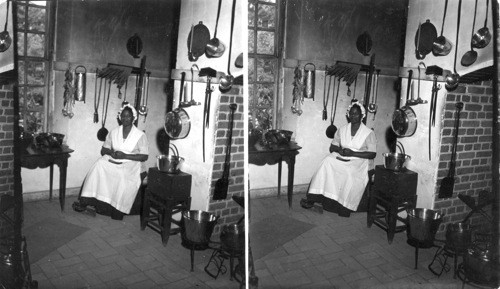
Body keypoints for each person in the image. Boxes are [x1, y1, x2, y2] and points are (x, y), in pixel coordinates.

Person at [300, 101, 376, 217]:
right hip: (343, 155)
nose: (353, 116)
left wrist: (353, 153)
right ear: (348, 115)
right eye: (351, 114)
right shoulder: (342, 129)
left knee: (348, 173)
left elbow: (372, 154)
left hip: (359, 160)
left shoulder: (368, 133)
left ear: (362, 115)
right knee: (326, 163)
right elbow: (332, 147)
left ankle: (343, 206)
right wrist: (340, 150)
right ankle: (314, 197)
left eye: (356, 114)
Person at [73, 104, 149, 219]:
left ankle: (116, 209)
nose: (125, 119)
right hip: (115, 158)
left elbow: (144, 156)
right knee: (98, 166)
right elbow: (104, 149)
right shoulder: (114, 132)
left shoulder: (140, 135)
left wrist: (125, 155)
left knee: (121, 175)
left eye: (128, 116)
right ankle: (87, 201)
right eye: (123, 116)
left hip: (131, 162)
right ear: (120, 117)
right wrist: (111, 153)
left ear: (133, 118)